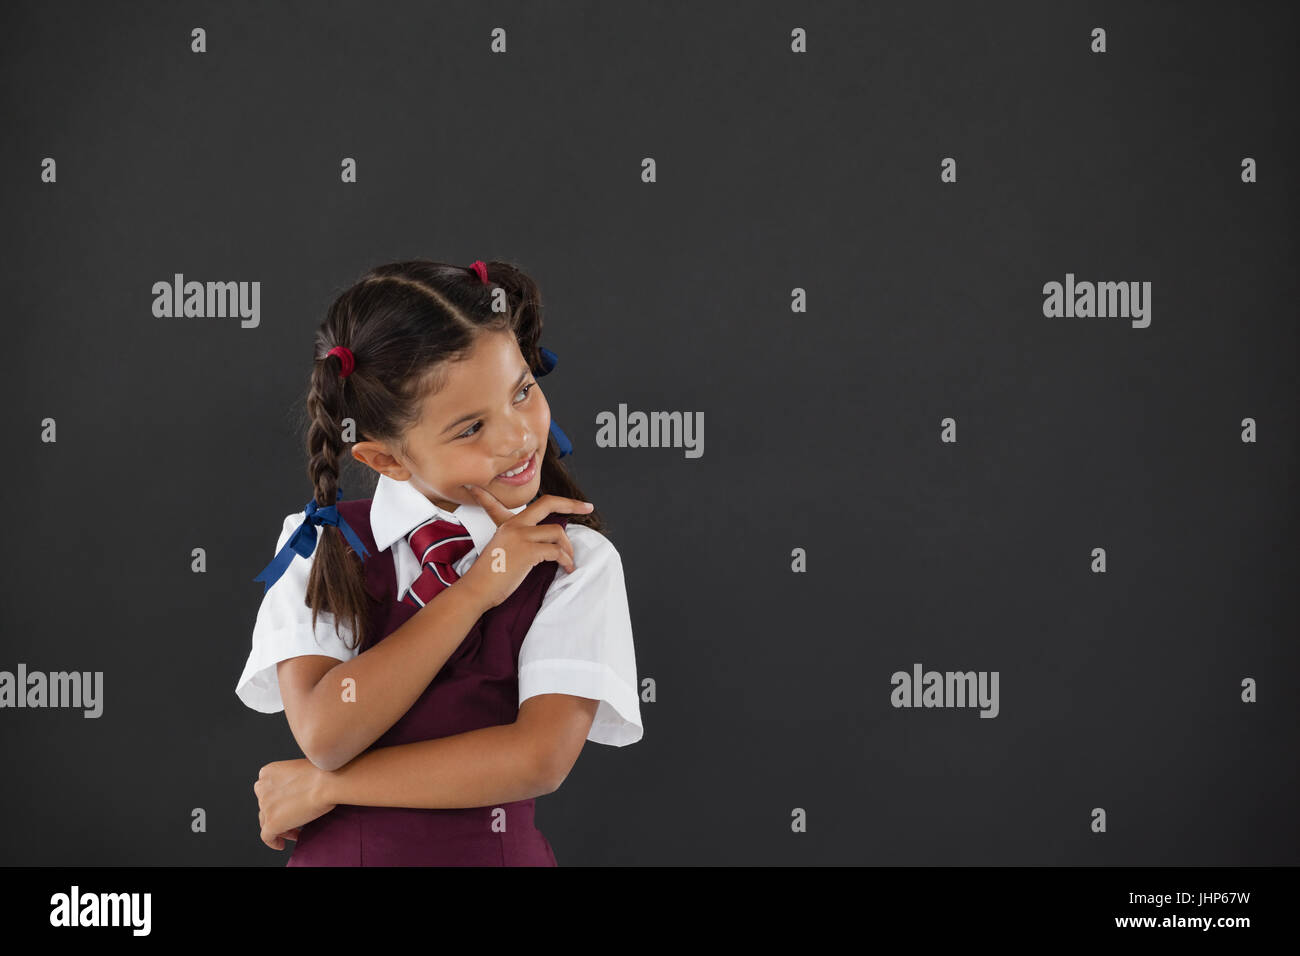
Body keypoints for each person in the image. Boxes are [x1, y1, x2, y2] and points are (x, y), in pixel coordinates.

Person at [236, 258, 643, 865]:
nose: (517, 438)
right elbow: (325, 731)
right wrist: (475, 591)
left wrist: (332, 787)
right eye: (472, 427)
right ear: (386, 460)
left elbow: (537, 759)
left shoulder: (574, 559)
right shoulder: (322, 544)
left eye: (523, 391)